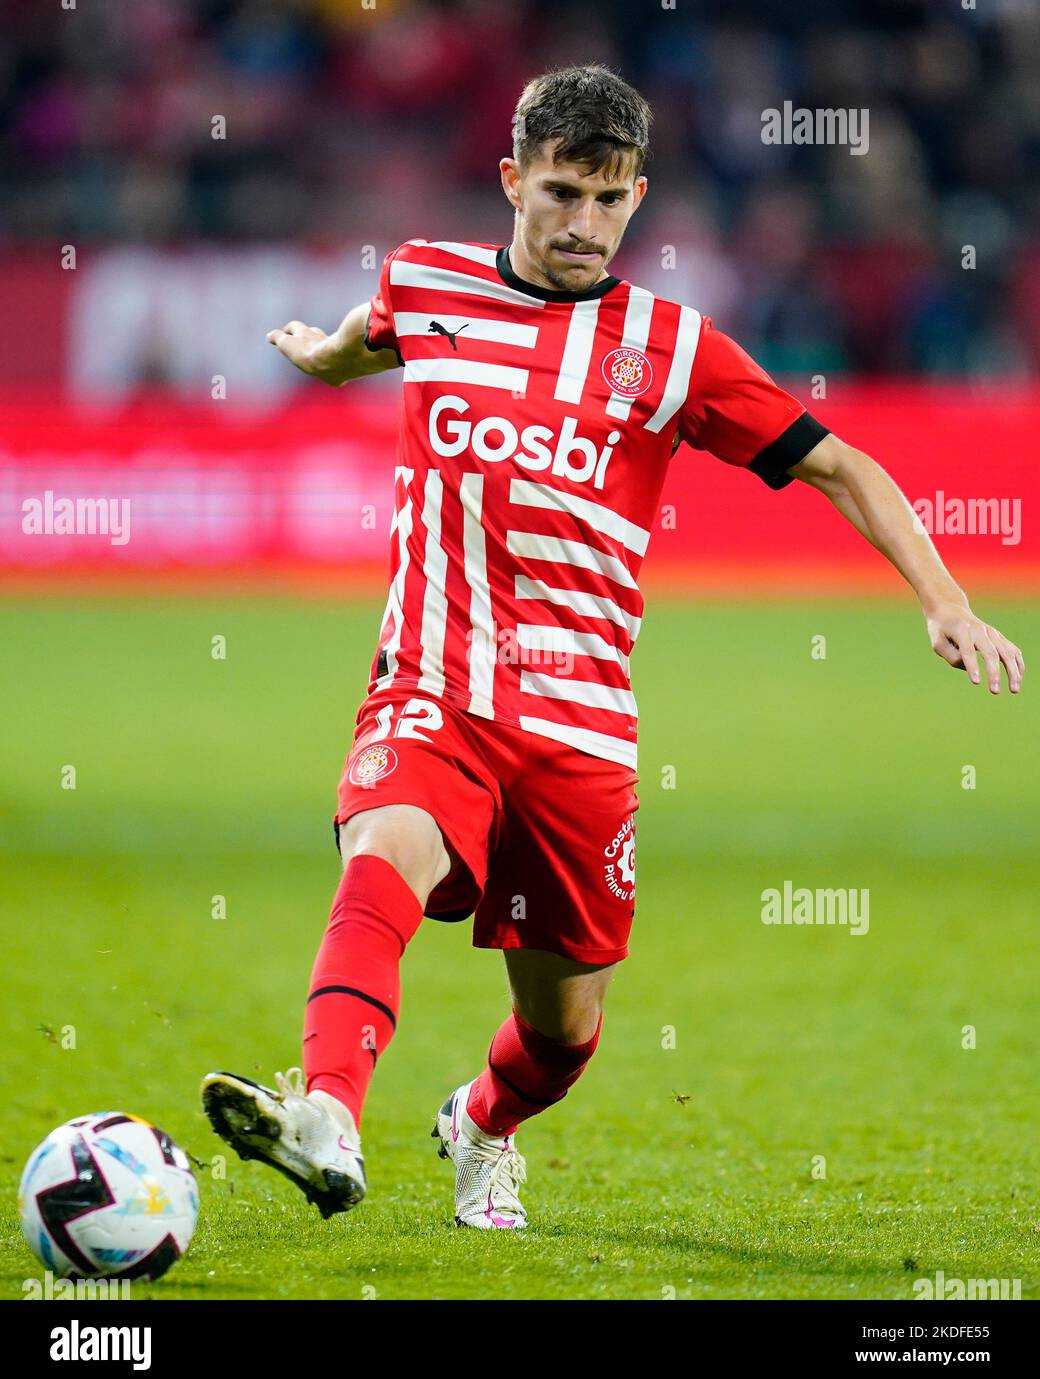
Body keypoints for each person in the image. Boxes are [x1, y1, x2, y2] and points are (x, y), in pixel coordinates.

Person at [201, 64, 1023, 1231]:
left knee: (561, 1031)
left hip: (579, 725)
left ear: (635, 197)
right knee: (380, 852)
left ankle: (483, 1122)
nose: (581, 224)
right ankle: (327, 1113)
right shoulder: (422, 281)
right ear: (510, 181)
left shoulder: (673, 350)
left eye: (605, 199)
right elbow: (366, 335)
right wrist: (325, 357)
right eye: (557, 194)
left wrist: (941, 598)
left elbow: (839, 461)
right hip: (432, 686)